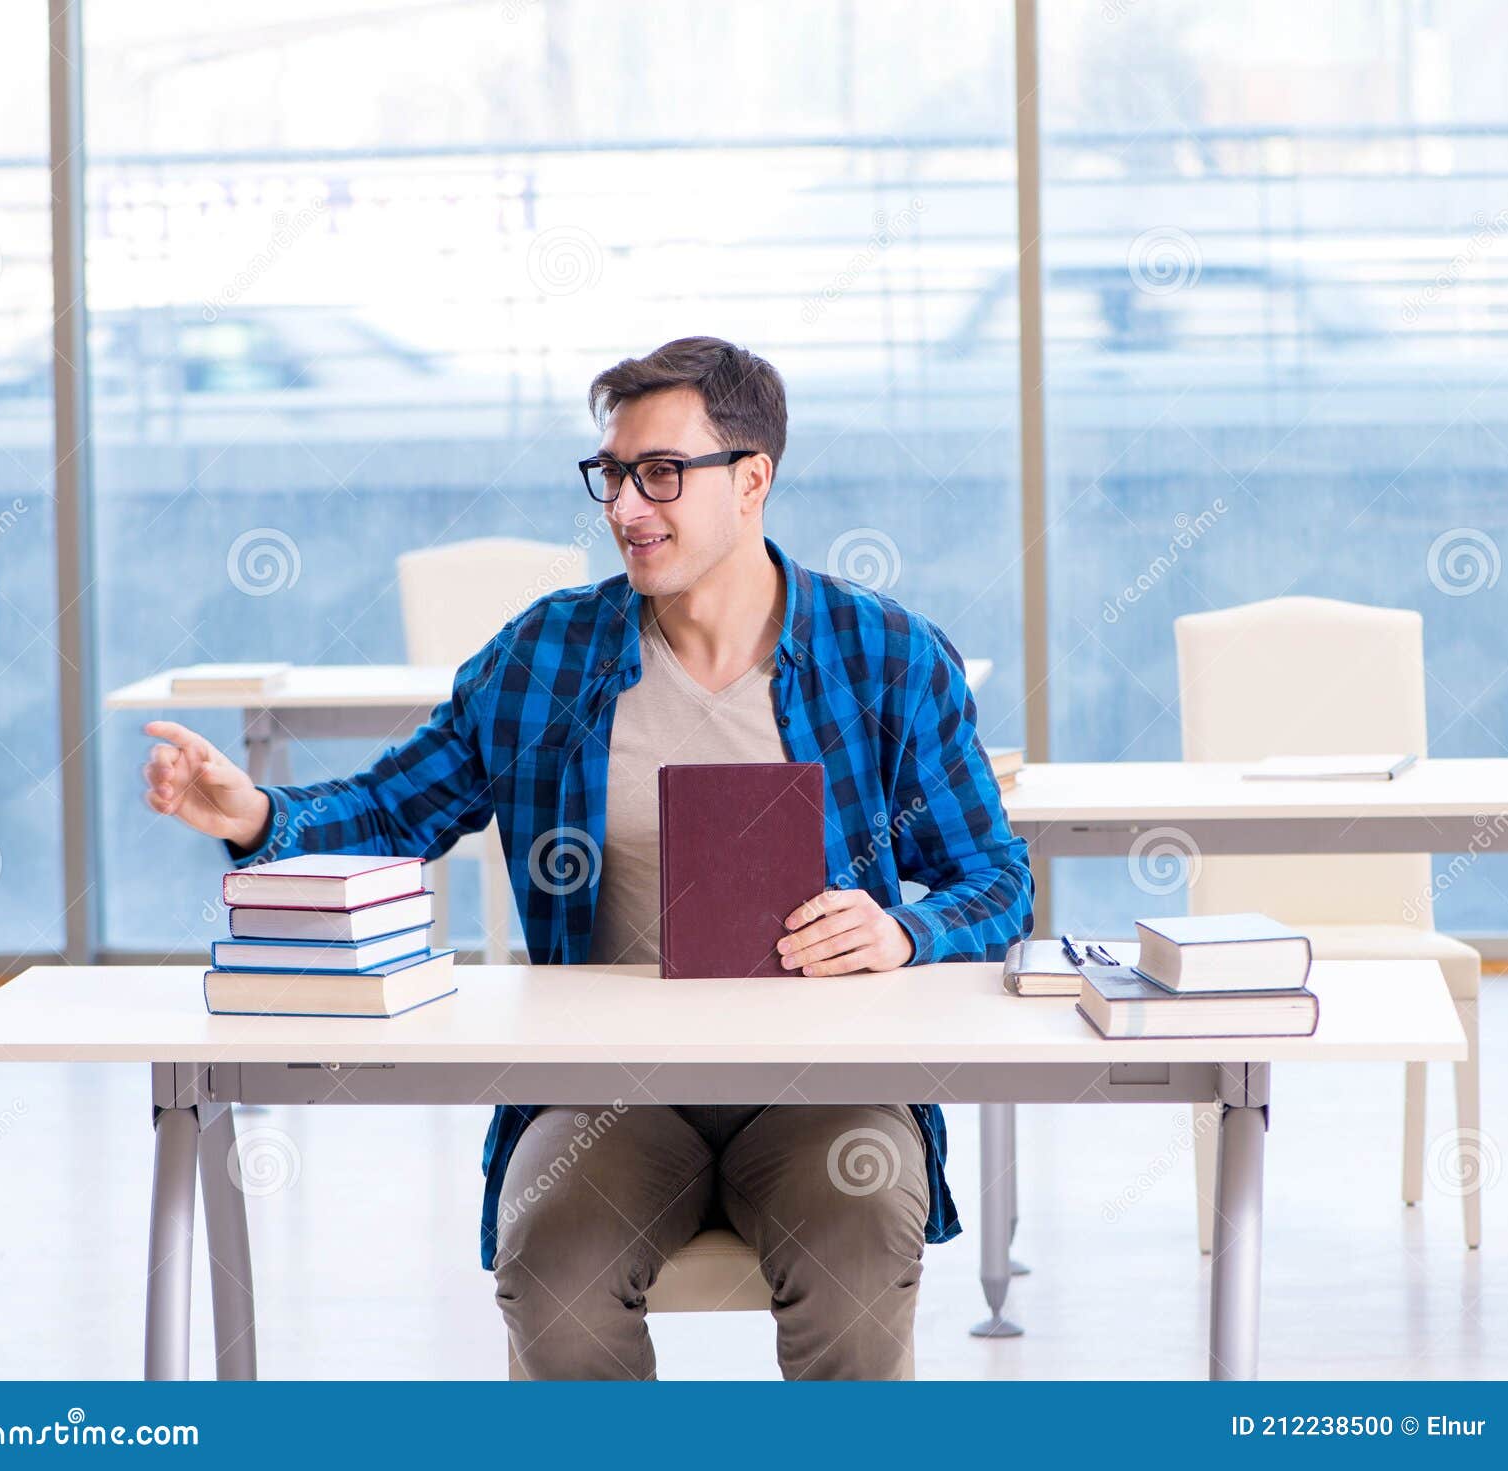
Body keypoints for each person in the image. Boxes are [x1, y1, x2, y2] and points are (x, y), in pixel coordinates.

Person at [143, 335, 1033, 1380]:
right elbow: (397, 807)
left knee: (855, 1250)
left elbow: (997, 880)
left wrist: (904, 928)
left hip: (820, 1081)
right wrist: (253, 813)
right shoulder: (547, 654)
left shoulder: (885, 654)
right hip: (606, 1084)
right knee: (551, 1262)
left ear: (753, 480)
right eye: (611, 474)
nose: (624, 507)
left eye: (661, 474)